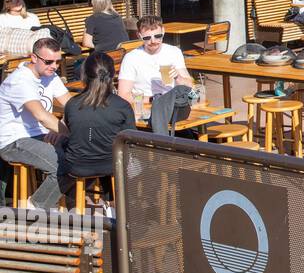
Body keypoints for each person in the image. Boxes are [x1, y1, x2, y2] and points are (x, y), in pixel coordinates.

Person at [55, 51, 137, 207]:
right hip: (113, 165)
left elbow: (75, 132)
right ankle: (115, 204)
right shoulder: (122, 106)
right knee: (123, 155)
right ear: (112, 75)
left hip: (77, 166)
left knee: (78, 144)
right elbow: (131, 142)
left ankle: (70, 197)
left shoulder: (72, 104)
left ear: (84, 75)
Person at [0, 38, 70, 200]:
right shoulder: (20, 80)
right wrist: (68, 132)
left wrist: (65, 124)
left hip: (40, 135)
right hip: (13, 140)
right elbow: (41, 115)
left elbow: (72, 106)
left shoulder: (51, 76)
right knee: (65, 166)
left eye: (58, 62)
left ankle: (70, 204)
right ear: (33, 57)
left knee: (87, 155)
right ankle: (35, 209)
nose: (54, 66)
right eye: (49, 61)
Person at [118, 15, 195, 106]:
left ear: (163, 31)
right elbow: (124, 95)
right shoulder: (131, 58)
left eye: (158, 36)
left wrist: (178, 78)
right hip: (147, 107)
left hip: (173, 105)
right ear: (139, 35)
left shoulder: (174, 52)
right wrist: (151, 99)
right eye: (147, 38)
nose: (153, 41)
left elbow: (190, 86)